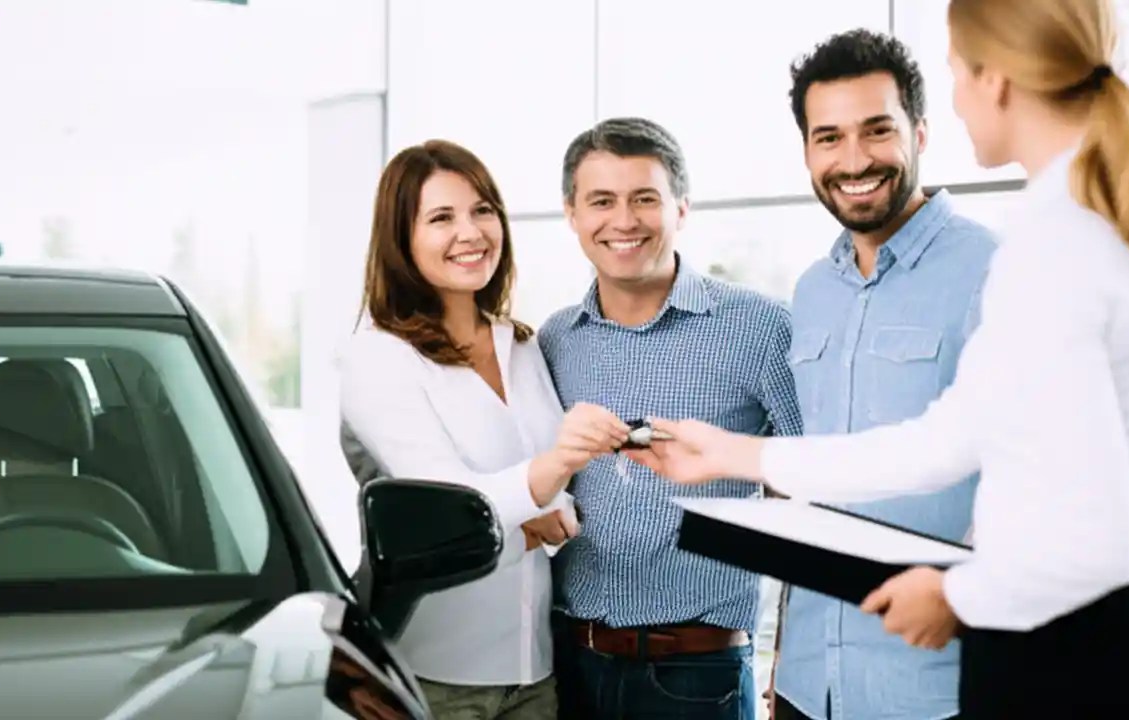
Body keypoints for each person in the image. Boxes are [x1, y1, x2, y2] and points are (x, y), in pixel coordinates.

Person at [625, 1, 1129, 716]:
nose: (958, 97)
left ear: (994, 80)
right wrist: (729, 455)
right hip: (884, 670)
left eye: (957, 72)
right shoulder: (1072, 225)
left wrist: (956, 593)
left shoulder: (1045, 248)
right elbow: (942, 442)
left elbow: (1104, 528)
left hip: (1045, 658)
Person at [337, 139, 632, 719]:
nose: (470, 232)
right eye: (441, 217)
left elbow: (565, 506)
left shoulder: (519, 345)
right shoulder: (379, 359)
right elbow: (449, 513)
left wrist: (541, 509)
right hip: (435, 679)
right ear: (402, 239)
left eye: (482, 210)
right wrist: (546, 487)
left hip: (535, 672)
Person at [537, 117, 804, 720]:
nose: (623, 220)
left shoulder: (760, 329)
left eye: (644, 199)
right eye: (601, 201)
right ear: (572, 214)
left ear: (681, 208)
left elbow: (805, 497)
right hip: (568, 663)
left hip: (697, 675)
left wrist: (794, 655)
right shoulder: (555, 340)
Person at [771, 29, 997, 720]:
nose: (854, 159)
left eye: (877, 130)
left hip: (933, 687)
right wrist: (784, 670)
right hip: (810, 684)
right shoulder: (811, 292)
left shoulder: (998, 270)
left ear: (921, 133)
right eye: (828, 137)